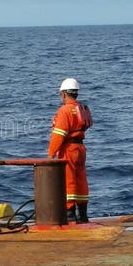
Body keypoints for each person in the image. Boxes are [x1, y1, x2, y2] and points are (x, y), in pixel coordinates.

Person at [47, 77, 93, 223]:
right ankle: (83, 214)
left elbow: (58, 135)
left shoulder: (64, 111)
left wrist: (51, 154)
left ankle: (70, 213)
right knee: (81, 179)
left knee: (69, 180)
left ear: (64, 94)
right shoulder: (81, 109)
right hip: (81, 148)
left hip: (69, 148)